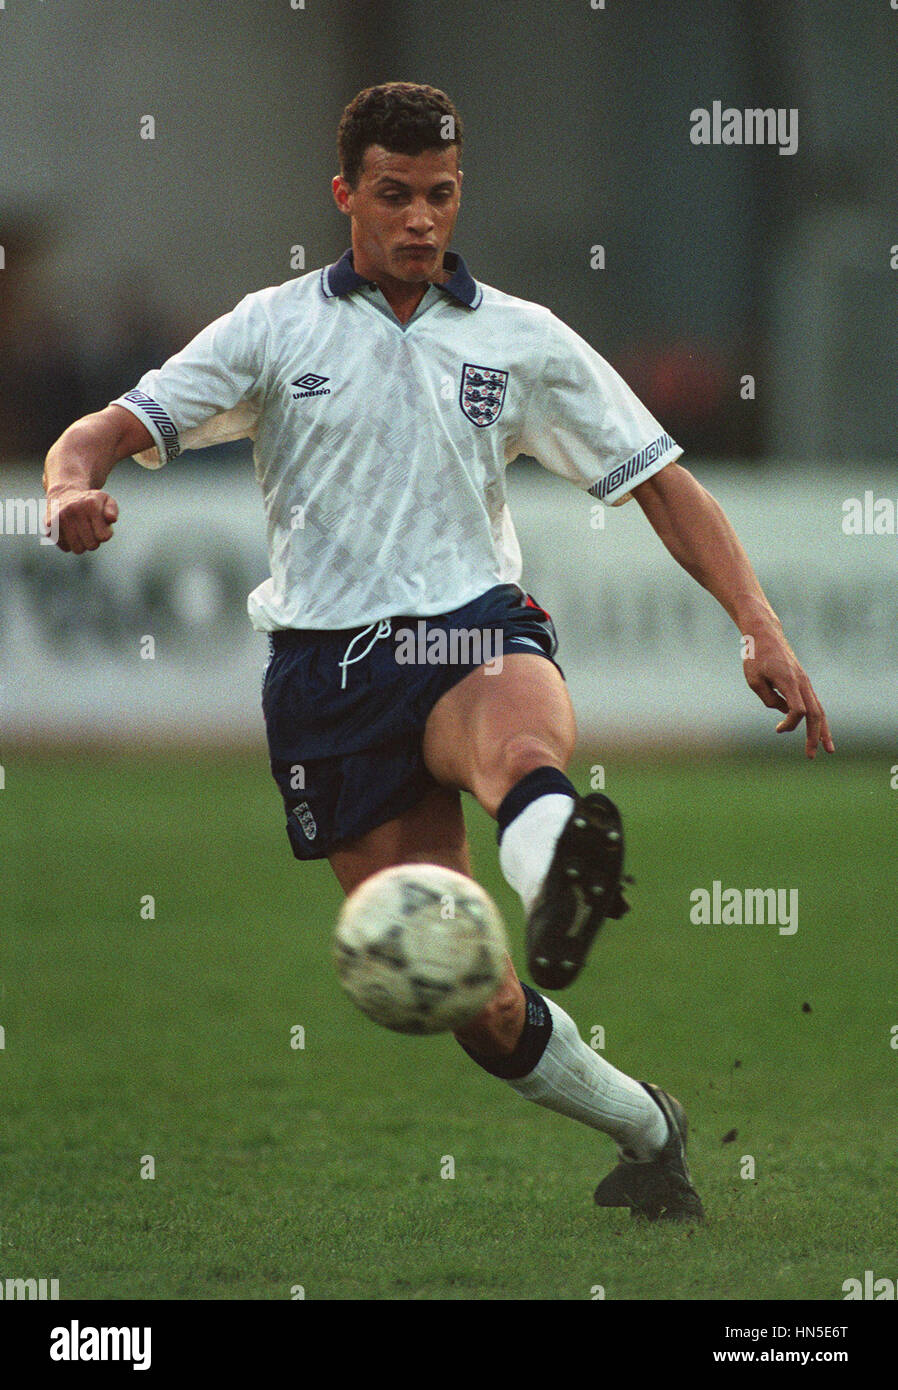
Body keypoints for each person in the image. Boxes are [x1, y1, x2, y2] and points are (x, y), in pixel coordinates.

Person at [42, 82, 833, 1223]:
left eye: (442, 195)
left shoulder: (521, 338)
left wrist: (757, 623)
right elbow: (104, 431)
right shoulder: (273, 327)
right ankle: (647, 1127)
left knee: (517, 746)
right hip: (323, 678)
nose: (421, 218)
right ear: (346, 194)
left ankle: (561, 865)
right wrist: (70, 486)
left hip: (470, 629)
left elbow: (663, 481)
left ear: (460, 193)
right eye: (396, 194)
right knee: (475, 996)